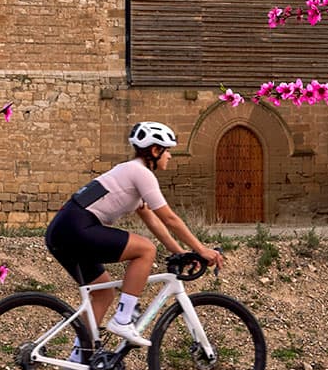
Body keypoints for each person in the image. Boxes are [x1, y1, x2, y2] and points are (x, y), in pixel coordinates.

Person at [45, 121, 224, 349]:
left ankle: (80, 357)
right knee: (146, 249)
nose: (170, 156)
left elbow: (153, 221)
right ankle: (123, 319)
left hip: (63, 230)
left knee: (104, 294)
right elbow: (169, 219)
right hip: (76, 227)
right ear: (155, 150)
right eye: (167, 151)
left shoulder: (129, 172)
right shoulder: (140, 173)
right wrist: (201, 250)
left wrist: (181, 253)